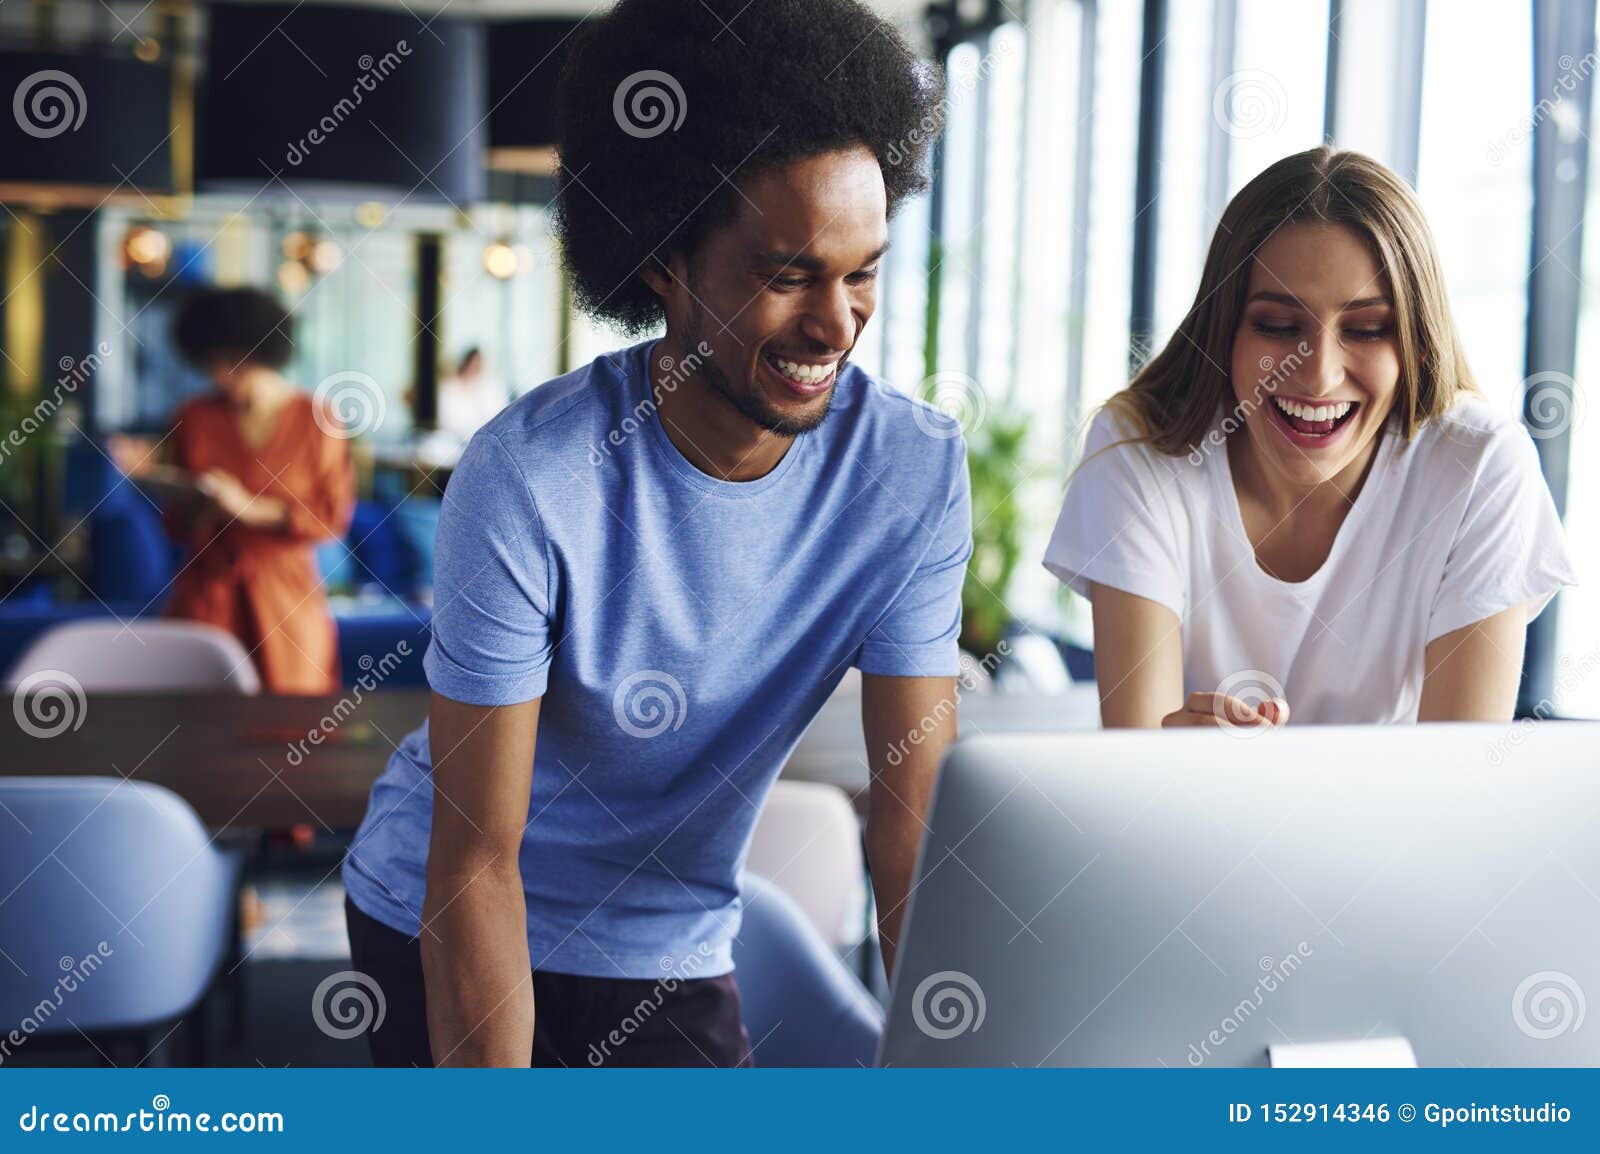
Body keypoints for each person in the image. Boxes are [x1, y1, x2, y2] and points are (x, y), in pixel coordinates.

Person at [341, 0, 970, 1067]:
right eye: (788, 275)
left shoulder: (910, 473)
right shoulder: (530, 478)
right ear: (663, 261)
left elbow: (910, 827)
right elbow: (477, 862)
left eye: (861, 269)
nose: (836, 323)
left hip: (669, 940)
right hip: (438, 913)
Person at [1044, 146, 1576, 728]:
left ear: (1417, 344)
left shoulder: (1480, 465)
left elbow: (1459, 781)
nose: (1318, 372)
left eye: (1367, 329)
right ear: (1223, 333)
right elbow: (1134, 772)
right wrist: (1169, 757)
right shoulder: (1141, 451)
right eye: (1278, 325)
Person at [162, 287, 355, 694]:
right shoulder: (194, 417)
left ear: (254, 355)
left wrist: (247, 507)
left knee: (291, 726)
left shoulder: (318, 420)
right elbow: (175, 524)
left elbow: (331, 518)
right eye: (211, 364)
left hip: (286, 600)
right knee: (196, 724)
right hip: (207, 594)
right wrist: (196, 502)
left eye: (227, 363)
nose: (217, 375)